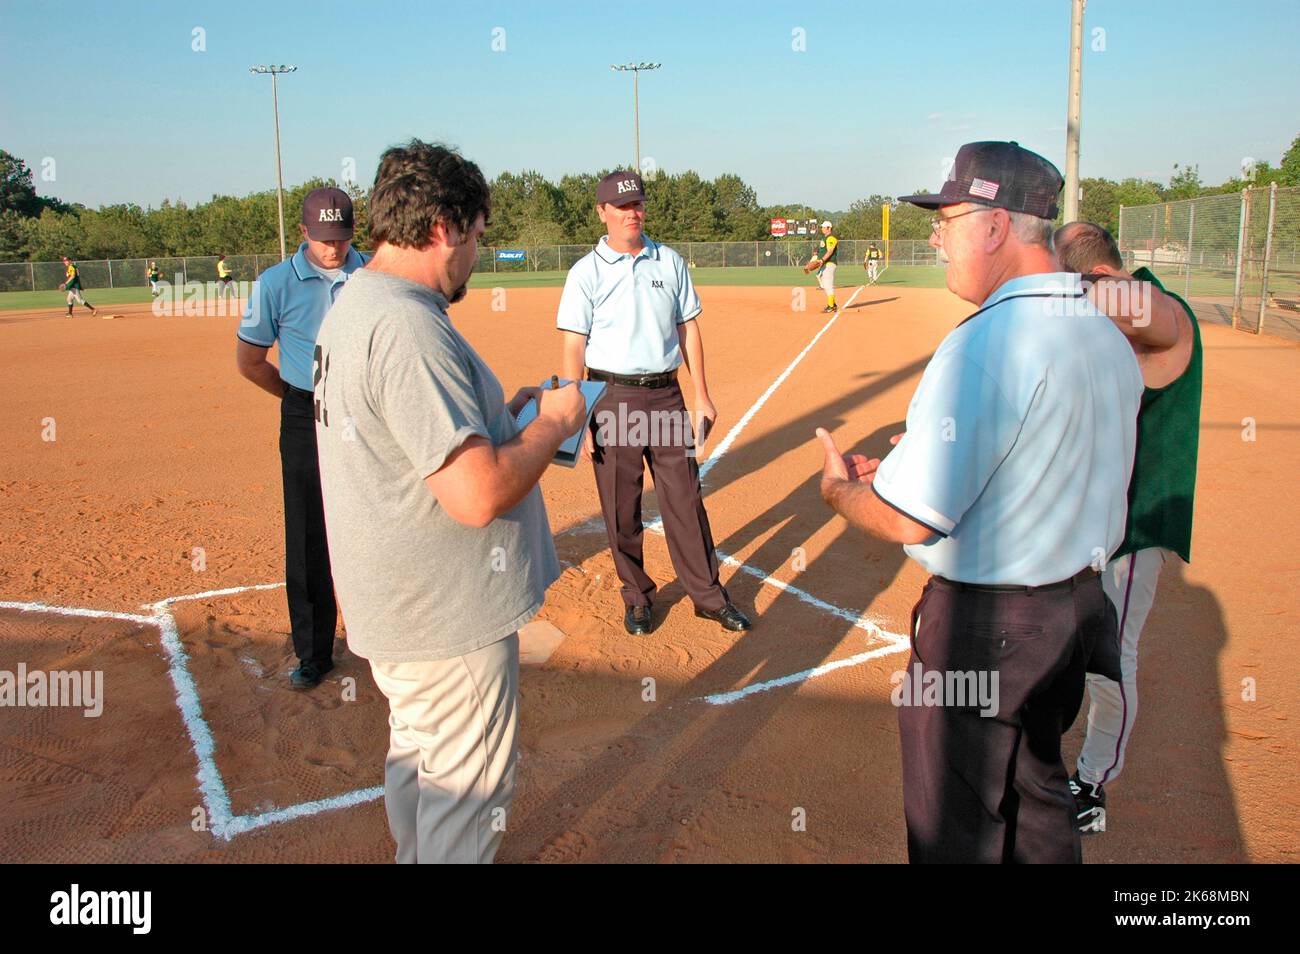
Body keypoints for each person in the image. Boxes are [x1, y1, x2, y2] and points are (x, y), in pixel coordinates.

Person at [815, 141, 1142, 863]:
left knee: (957, 830)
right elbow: (1046, 454)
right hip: (1076, 612)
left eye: (948, 219)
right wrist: (917, 458)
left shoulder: (986, 341)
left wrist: (841, 491)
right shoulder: (1106, 332)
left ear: (995, 226)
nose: (936, 237)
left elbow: (908, 517)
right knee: (1038, 799)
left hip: (991, 629)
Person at [314, 139, 585, 863]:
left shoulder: (359, 301)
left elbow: (414, 438)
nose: (474, 253)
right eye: (475, 234)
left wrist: (505, 419)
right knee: (465, 808)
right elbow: (476, 494)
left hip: (399, 612)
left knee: (420, 767)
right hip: (446, 620)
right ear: (442, 228)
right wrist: (555, 425)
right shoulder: (407, 324)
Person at [1054, 221, 1203, 834]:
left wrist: (1065, 290)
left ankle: (1091, 784)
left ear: (1095, 275)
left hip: (1137, 525)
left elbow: (1153, 316)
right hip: (1091, 520)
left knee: (1112, 659)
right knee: (1068, 643)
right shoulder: (1104, 315)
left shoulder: (1156, 308)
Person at [557, 170, 751, 636]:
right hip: (611, 397)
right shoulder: (586, 272)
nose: (632, 213)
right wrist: (576, 418)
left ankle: (707, 596)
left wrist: (701, 392)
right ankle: (637, 597)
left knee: (685, 498)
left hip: (665, 396)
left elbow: (689, 328)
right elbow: (572, 348)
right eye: (621, 207)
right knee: (621, 507)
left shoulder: (669, 261)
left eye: (637, 204)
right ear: (602, 212)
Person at [235, 187, 366, 690]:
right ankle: (314, 652)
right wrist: (297, 399)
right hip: (304, 412)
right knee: (309, 531)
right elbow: (249, 362)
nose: (334, 248)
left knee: (372, 520)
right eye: (324, 237)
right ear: (305, 232)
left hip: (365, 413)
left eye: (342, 237)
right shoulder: (274, 284)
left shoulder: (372, 274)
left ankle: (380, 636)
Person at [810, 220, 839, 313]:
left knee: (827, 285)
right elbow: (822, 252)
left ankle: (831, 306)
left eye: (823, 227)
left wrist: (822, 260)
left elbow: (830, 251)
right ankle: (833, 304)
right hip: (824, 263)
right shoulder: (824, 238)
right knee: (824, 282)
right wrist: (818, 262)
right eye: (822, 227)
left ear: (829, 228)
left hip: (829, 263)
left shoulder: (831, 238)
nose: (822, 228)